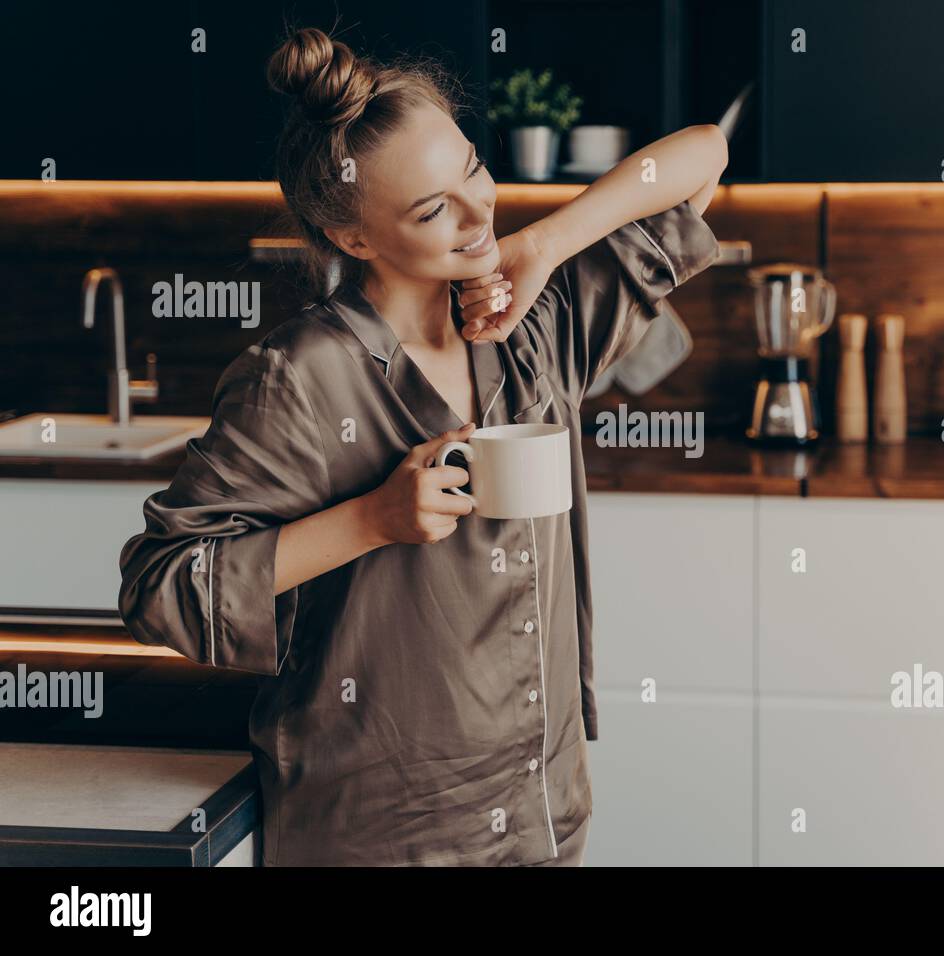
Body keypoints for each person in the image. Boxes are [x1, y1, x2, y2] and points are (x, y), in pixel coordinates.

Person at [117, 27, 725, 866]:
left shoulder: (535, 327)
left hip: (540, 808)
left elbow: (701, 156)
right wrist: (371, 519)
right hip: (383, 832)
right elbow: (162, 587)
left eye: (474, 167)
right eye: (433, 209)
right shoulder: (301, 377)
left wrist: (544, 243)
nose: (479, 214)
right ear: (355, 239)